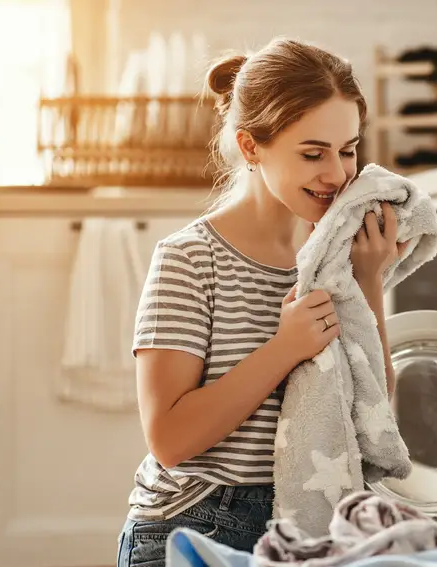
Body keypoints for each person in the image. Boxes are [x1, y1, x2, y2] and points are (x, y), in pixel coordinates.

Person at [116, 37, 407, 567]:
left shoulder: (332, 257)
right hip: (193, 522)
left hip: (303, 520)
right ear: (251, 147)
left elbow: (370, 408)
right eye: (312, 153)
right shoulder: (189, 259)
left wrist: (369, 280)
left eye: (348, 150)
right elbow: (170, 439)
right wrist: (284, 348)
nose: (338, 174)